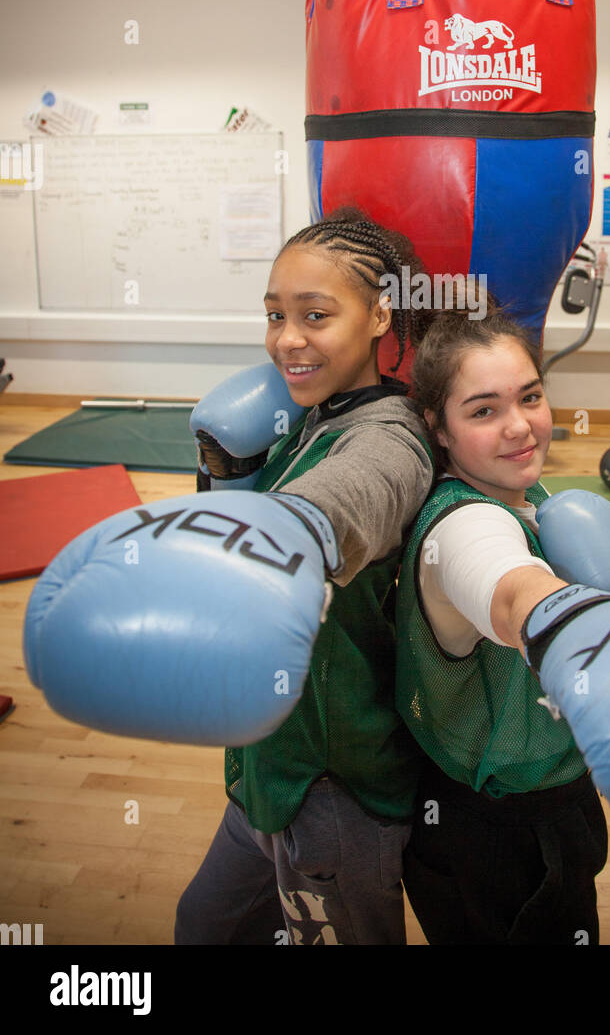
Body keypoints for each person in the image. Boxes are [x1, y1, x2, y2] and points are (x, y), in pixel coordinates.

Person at [173, 207, 436, 946]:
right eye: (274, 315)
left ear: (382, 313)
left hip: (333, 785)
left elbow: (353, 495)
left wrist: (283, 536)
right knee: (205, 928)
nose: (287, 338)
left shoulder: (388, 437)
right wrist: (225, 479)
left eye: (315, 315)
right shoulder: (314, 417)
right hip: (271, 762)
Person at [395, 306, 610, 946]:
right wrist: (606, 639)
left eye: (532, 397)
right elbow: (512, 591)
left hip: (545, 797)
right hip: (494, 829)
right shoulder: (465, 525)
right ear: (438, 428)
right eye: (483, 411)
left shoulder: (522, 495)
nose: (521, 427)